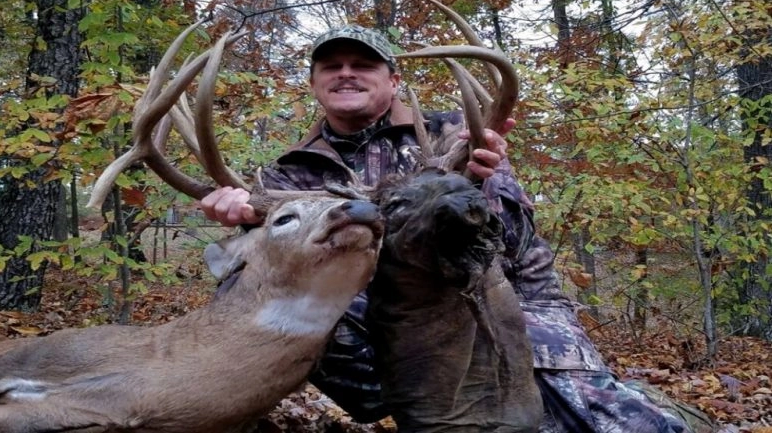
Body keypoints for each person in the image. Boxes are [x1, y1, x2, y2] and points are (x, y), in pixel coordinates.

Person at [200, 25, 715, 433]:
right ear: (314, 83)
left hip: (502, 303)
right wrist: (249, 220)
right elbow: (285, 271)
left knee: (610, 424)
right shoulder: (288, 176)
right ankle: (398, 395)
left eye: (363, 65)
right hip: (384, 320)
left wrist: (480, 185)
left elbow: (509, 244)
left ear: (394, 81)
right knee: (248, 287)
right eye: (331, 67)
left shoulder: (457, 132)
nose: (346, 74)